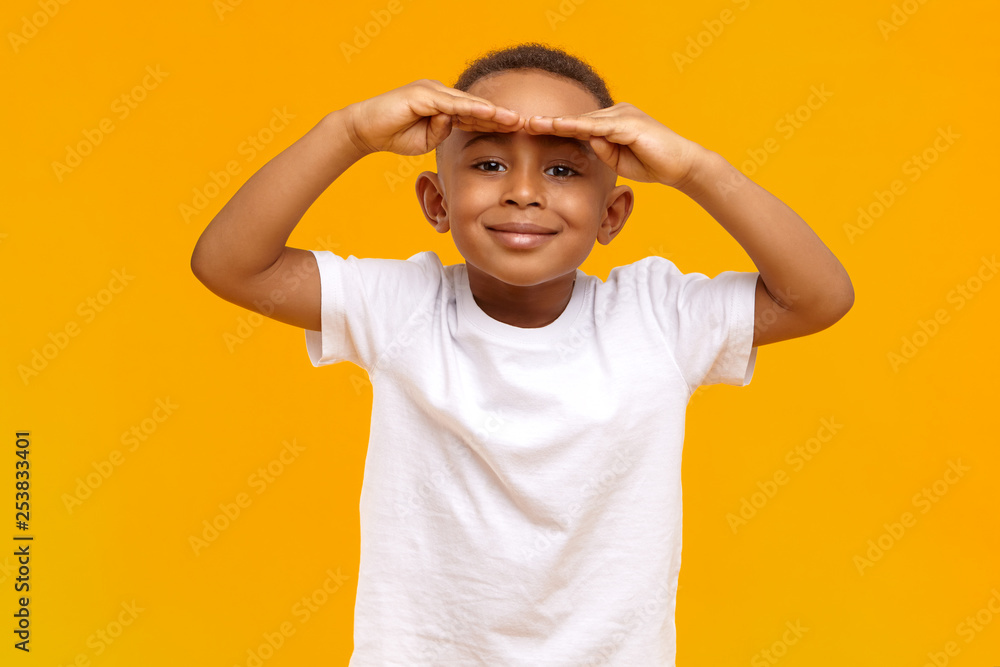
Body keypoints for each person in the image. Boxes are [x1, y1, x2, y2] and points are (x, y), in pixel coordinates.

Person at [191, 42, 853, 666]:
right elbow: (232, 265)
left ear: (611, 215)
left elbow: (817, 296)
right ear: (436, 200)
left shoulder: (657, 317)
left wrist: (695, 168)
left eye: (563, 168)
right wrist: (351, 133)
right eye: (488, 163)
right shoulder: (402, 307)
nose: (524, 191)